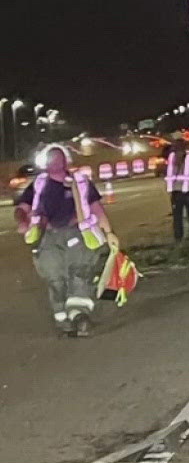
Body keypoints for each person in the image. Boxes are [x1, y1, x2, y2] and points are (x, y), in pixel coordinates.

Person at [12, 144, 115, 337]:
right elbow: (21, 208)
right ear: (45, 163)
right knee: (55, 280)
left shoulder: (82, 183)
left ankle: (80, 317)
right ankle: (63, 320)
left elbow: (97, 208)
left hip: (78, 234)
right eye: (51, 158)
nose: (55, 162)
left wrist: (109, 233)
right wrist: (23, 221)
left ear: (66, 161)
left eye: (59, 158)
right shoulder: (38, 185)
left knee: (80, 274)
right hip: (48, 237)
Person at [165, 139, 189, 241]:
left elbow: (168, 172)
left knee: (177, 216)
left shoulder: (172, 157)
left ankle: (178, 236)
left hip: (176, 192)